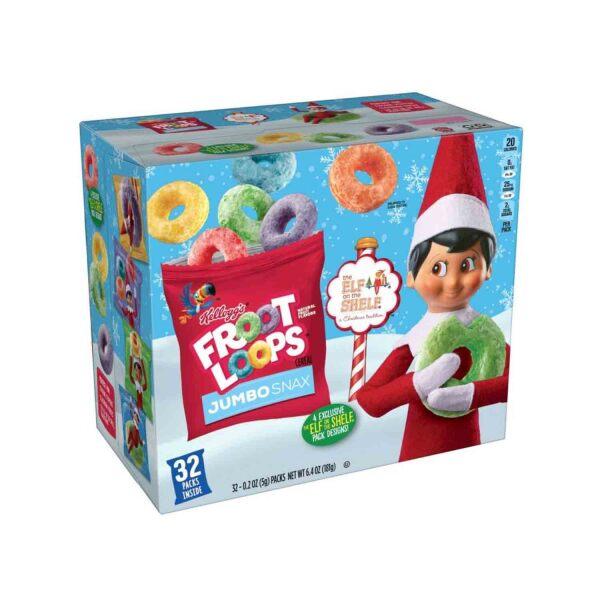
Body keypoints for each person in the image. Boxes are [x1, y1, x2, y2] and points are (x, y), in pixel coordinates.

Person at [356, 134, 510, 461]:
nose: (452, 281)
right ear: (412, 277)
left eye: (467, 265)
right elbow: (370, 401)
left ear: (488, 270)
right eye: (438, 267)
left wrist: (472, 395)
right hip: (417, 448)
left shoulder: (486, 335)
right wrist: (418, 383)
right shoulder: (415, 339)